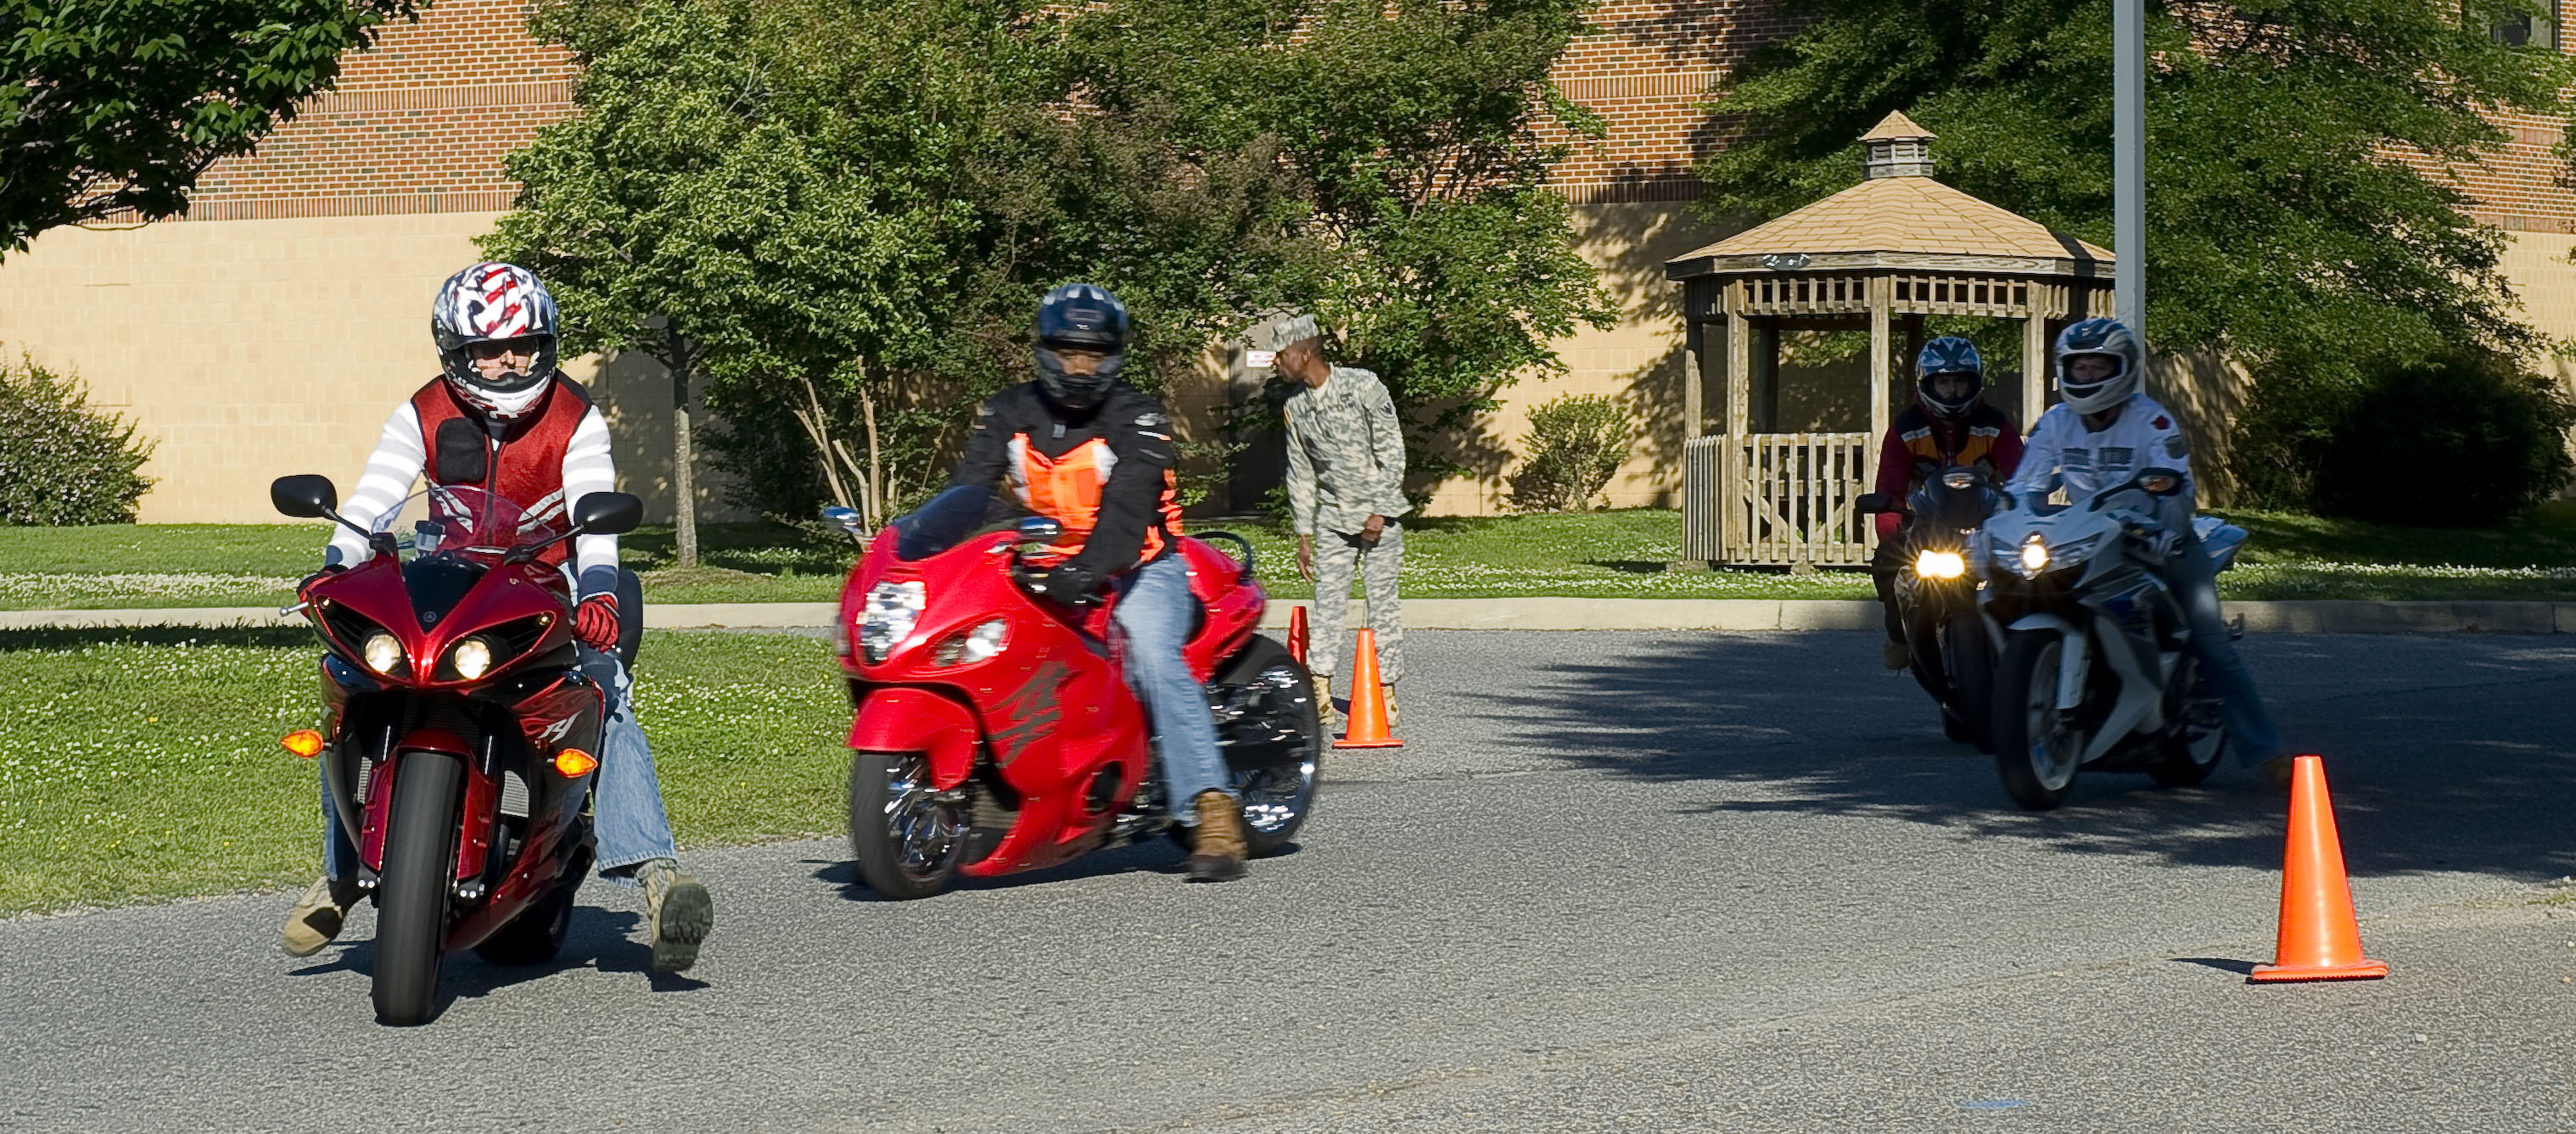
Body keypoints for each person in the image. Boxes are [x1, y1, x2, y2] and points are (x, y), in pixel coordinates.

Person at [279, 262, 714, 971]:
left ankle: (658, 876)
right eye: (488, 348)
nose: (508, 360)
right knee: (354, 684)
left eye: (523, 343)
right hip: (448, 578)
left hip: (548, 582)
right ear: (455, 352)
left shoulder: (576, 418)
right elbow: (374, 499)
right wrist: (336, 558)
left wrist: (599, 592)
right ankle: (339, 872)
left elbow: (594, 519)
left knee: (604, 693)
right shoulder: (420, 413)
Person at [949, 282, 1252, 882]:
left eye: (1095, 354)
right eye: (1068, 352)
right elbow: (969, 491)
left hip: (1139, 566)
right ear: (1044, 351)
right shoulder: (1008, 410)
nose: (1081, 366)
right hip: (1037, 563)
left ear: (1115, 357)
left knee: (1149, 652)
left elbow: (1128, 510)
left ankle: (1212, 807)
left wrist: (1087, 571)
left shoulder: (1138, 416)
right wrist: (930, 544)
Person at [2003, 317, 2286, 780]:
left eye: (2099, 366)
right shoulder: (2055, 423)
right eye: (2080, 367)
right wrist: (2010, 516)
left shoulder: (2151, 421)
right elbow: (2026, 484)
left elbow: (2174, 486)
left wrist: (2165, 531)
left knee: (2209, 640)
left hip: (2159, 540)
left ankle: (2265, 750)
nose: (2089, 376)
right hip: (2087, 537)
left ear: (2123, 369)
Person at [1273, 315, 1409, 730]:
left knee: (1381, 604)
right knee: (1327, 606)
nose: (1275, 362)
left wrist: (1381, 510)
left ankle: (1383, 690)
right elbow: (1300, 471)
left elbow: (1392, 449)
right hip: (1333, 519)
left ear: (1304, 353)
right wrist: (1303, 532)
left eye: (1281, 355)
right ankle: (1320, 690)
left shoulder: (1363, 386)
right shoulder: (1295, 406)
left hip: (1379, 517)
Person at [1868, 336, 2026, 669]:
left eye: (1960, 381)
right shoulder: (1905, 429)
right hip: (1925, 526)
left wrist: (2022, 514)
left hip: (1988, 524)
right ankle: (1899, 637)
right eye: (1944, 382)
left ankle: (2032, 643)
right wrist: (1891, 531)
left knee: (2032, 573)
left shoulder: (1996, 425)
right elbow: (1890, 489)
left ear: (1975, 383)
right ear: (1928, 383)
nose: (1952, 391)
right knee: (1887, 562)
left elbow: (2023, 479)